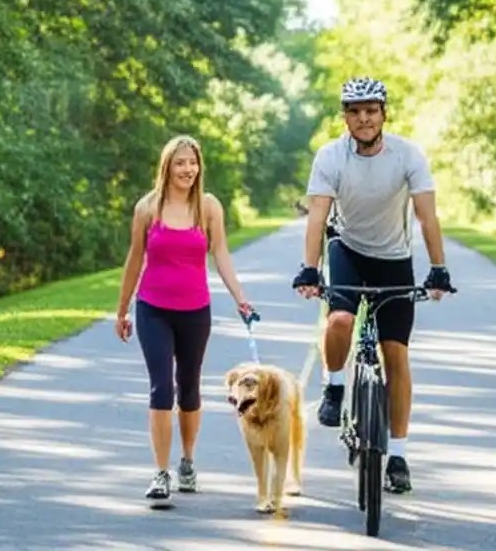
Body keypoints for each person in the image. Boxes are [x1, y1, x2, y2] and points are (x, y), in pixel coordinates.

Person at [291, 76, 456, 494]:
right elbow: (316, 216)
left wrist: (438, 267)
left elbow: (426, 216)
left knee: (395, 355)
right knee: (341, 320)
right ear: (344, 116)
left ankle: (397, 454)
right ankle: (334, 386)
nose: (363, 118)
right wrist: (310, 269)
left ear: (384, 114)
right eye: (354, 111)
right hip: (346, 249)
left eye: (371, 110)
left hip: (394, 259)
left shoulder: (407, 155)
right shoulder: (330, 156)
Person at [115, 134, 255, 508]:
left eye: (193, 163)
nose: (188, 170)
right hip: (153, 308)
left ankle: (188, 461)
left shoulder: (208, 207)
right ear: (167, 167)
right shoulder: (148, 209)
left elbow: (221, 252)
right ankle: (160, 473)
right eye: (180, 163)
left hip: (195, 311)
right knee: (162, 387)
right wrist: (123, 308)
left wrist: (240, 298)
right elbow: (134, 259)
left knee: (189, 387)